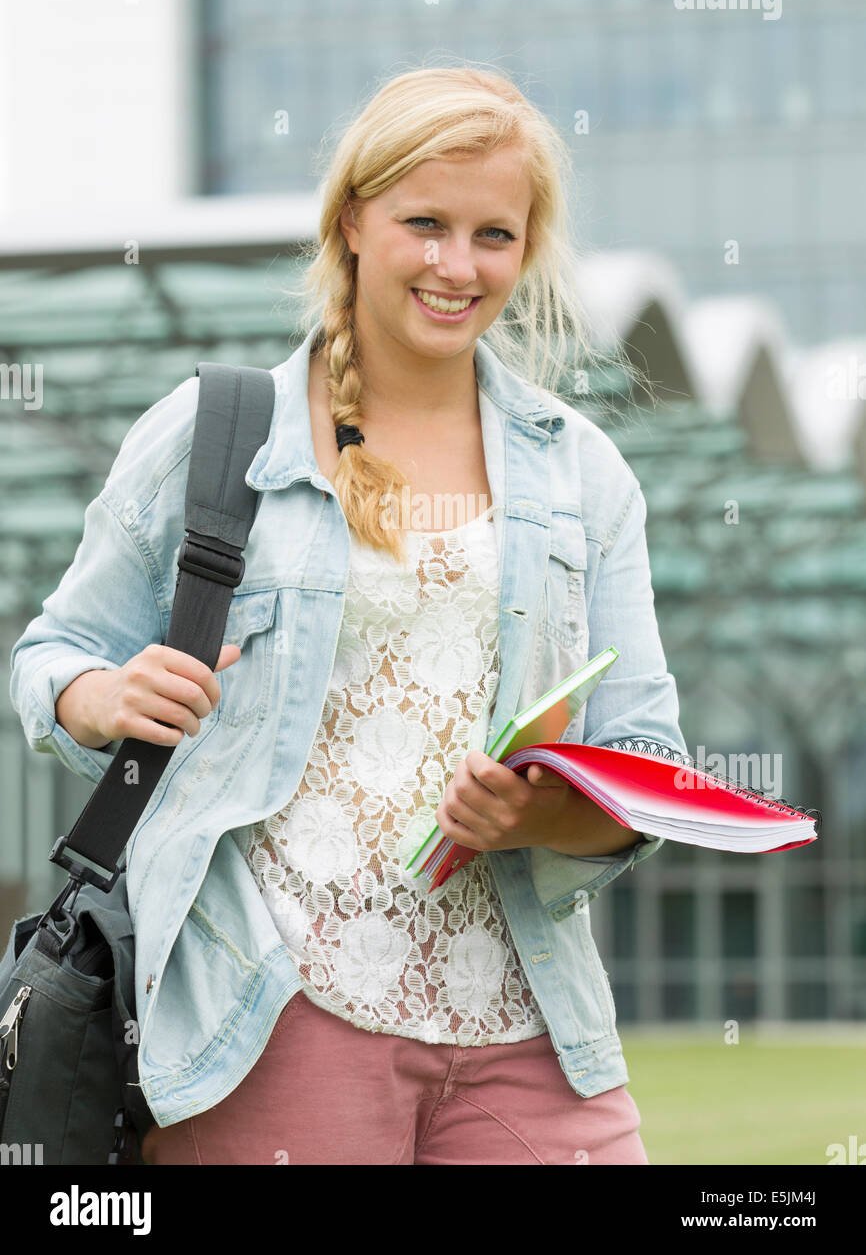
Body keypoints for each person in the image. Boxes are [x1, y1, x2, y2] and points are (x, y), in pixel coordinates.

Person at [10, 64, 691, 1165]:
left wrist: (535, 814)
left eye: (492, 235)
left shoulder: (584, 474)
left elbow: (645, 761)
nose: (455, 265)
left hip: (526, 1019)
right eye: (424, 222)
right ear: (352, 222)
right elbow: (52, 656)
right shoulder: (216, 433)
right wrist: (106, 696)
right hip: (266, 1011)